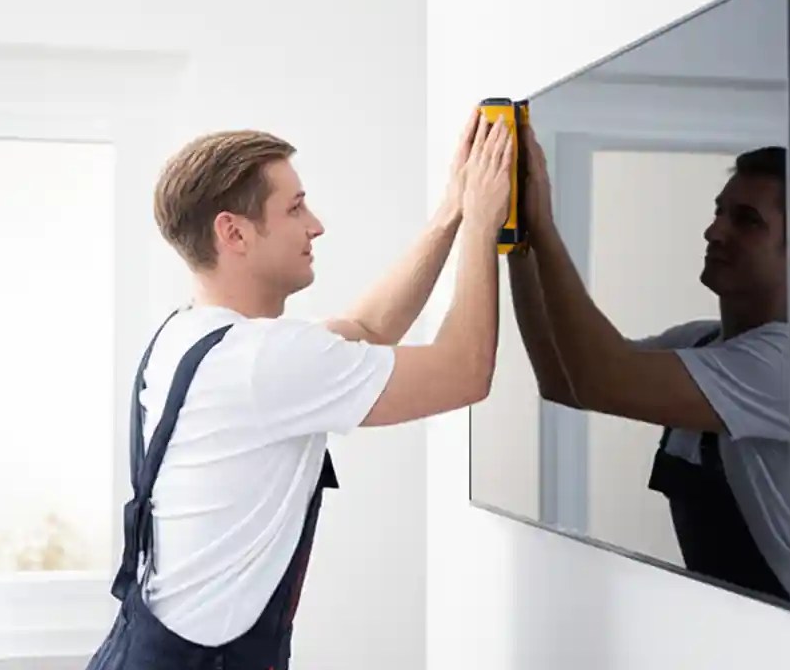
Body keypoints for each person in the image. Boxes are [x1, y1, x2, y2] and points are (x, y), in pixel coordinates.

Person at [85, 108, 514, 670]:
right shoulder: (262, 363)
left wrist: (452, 212)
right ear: (233, 232)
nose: (315, 225)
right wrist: (484, 223)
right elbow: (465, 371)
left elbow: (365, 332)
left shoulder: (193, 336)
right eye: (294, 207)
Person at [507, 123, 790, 601]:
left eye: (746, 220)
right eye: (719, 211)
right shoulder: (702, 343)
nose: (714, 230)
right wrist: (518, 245)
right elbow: (564, 378)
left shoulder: (785, 364)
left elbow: (601, 379)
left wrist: (544, 225)